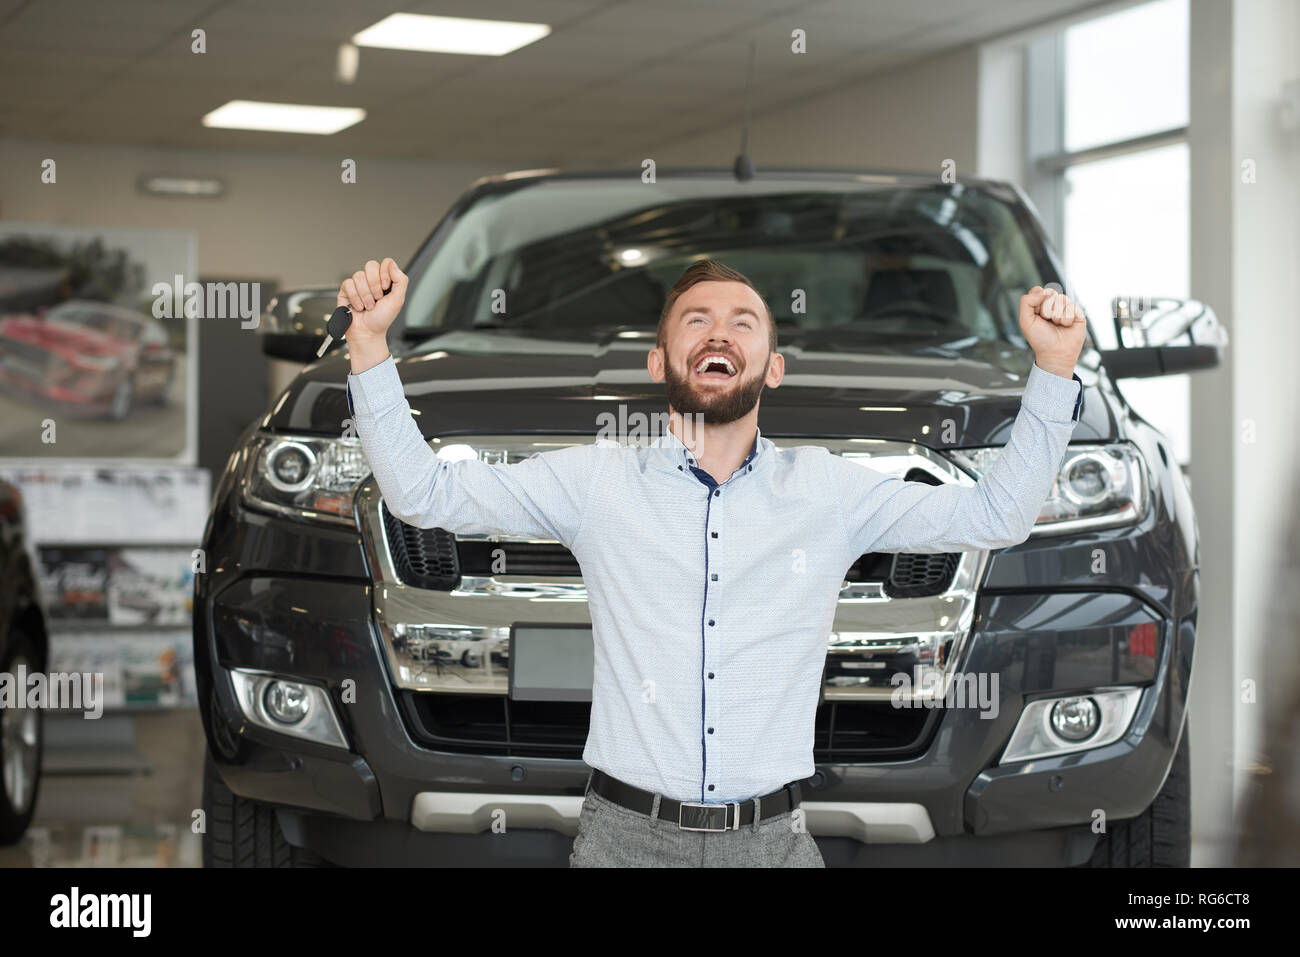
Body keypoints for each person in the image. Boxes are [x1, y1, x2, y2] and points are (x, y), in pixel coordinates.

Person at [341, 256, 1087, 867]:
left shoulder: (827, 490)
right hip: (623, 842)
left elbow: (997, 514)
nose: (717, 332)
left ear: (775, 365)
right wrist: (371, 348)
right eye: (695, 320)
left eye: (742, 321)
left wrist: (1053, 370)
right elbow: (424, 491)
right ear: (660, 359)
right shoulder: (596, 483)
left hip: (777, 843)